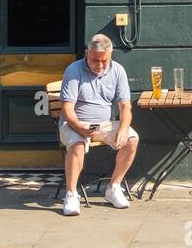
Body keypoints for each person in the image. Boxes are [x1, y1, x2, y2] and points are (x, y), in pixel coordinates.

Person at [58, 34, 139, 215]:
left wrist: (124, 129)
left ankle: (114, 187)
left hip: (103, 124)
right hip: (74, 123)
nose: (100, 65)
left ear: (111, 55)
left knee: (132, 139)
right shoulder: (74, 70)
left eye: (104, 61)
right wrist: (80, 128)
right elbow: (67, 109)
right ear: (87, 53)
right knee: (78, 143)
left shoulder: (118, 70)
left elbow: (125, 105)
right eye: (95, 60)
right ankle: (71, 194)